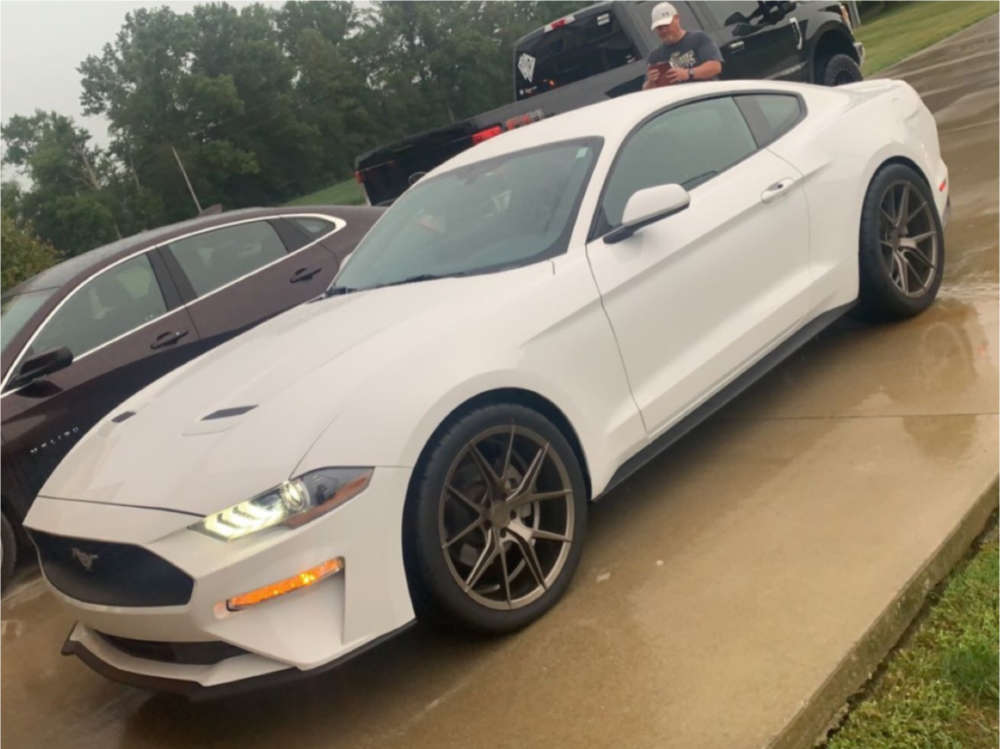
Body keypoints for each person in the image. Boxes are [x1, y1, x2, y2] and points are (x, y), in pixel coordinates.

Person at [642, 2, 723, 89]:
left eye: (666, 26)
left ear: (677, 18)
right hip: (680, 99)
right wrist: (650, 82)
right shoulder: (655, 56)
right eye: (659, 28)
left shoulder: (698, 38)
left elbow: (715, 67)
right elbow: (647, 90)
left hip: (706, 94)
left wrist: (688, 74)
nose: (664, 31)